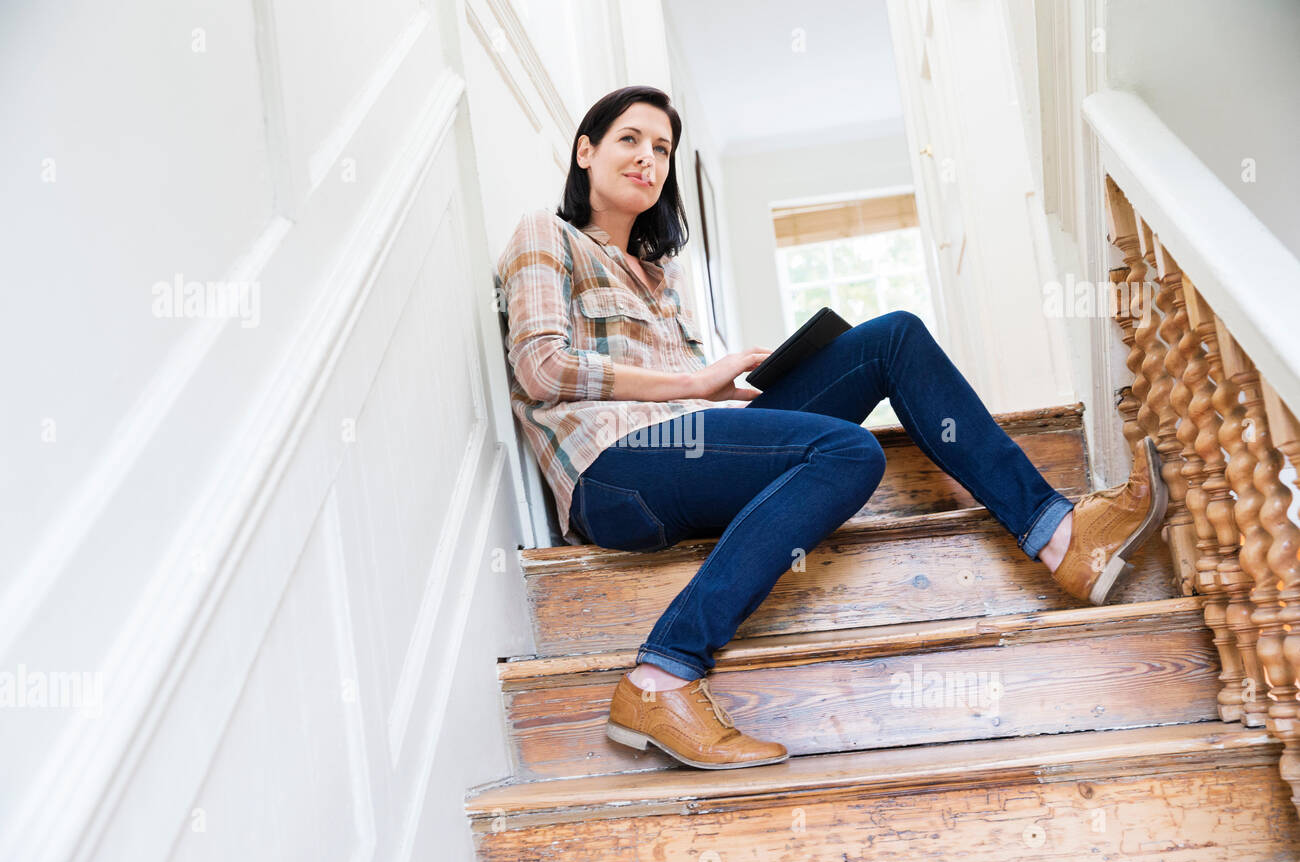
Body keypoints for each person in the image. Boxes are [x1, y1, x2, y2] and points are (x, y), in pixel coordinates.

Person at [495, 85, 1168, 771]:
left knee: (892, 339)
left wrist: (730, 390)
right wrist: (695, 383)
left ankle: (1060, 534)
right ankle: (662, 676)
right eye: (630, 140)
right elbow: (542, 367)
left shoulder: (662, 285)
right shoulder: (544, 237)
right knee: (847, 453)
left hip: (685, 452)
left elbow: (692, 413)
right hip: (613, 477)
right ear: (586, 151)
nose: (649, 159)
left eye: (662, 148)